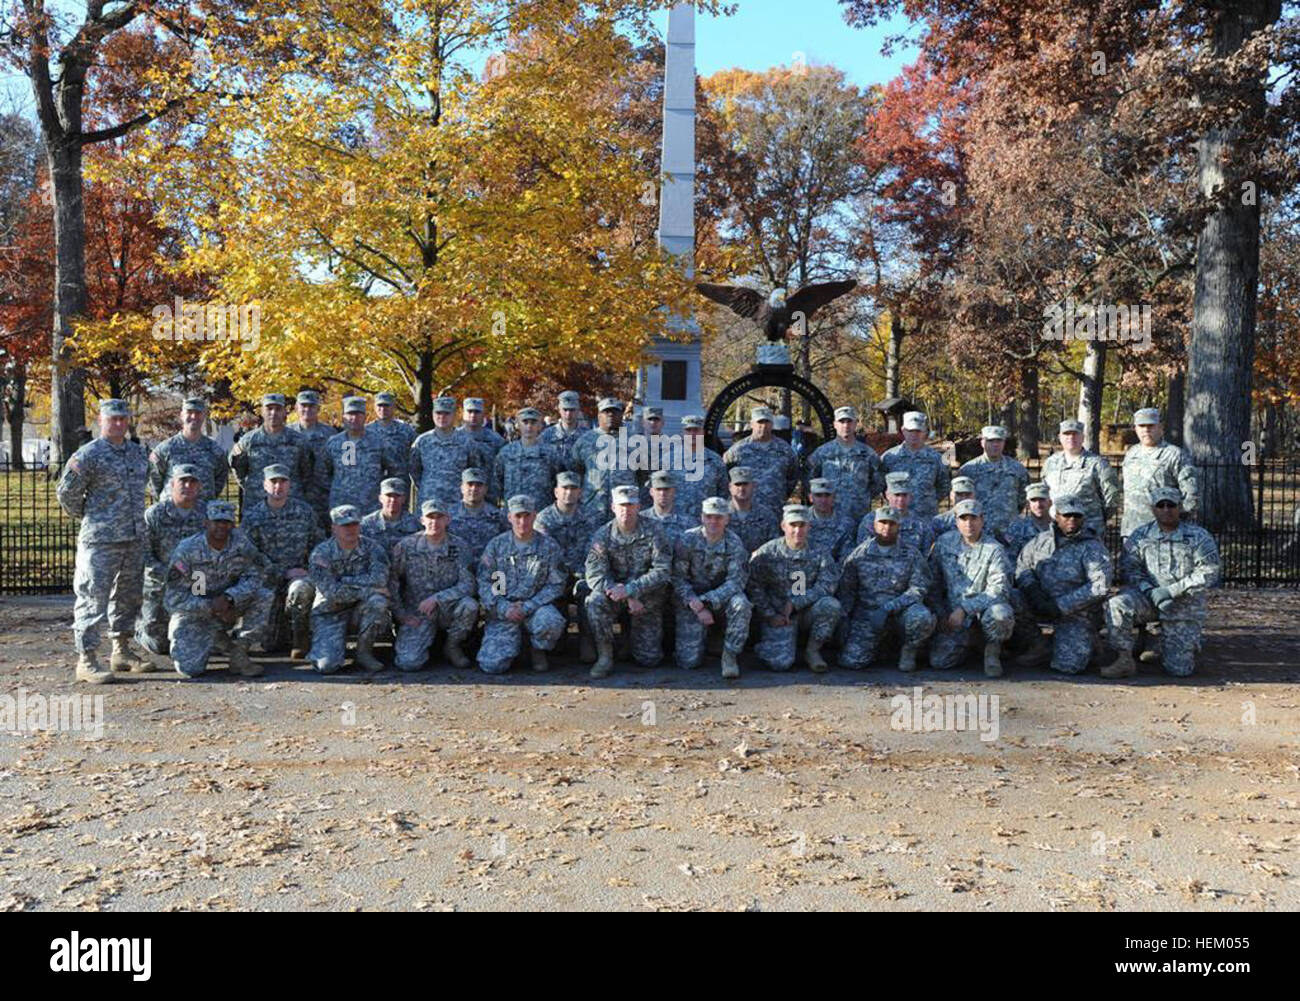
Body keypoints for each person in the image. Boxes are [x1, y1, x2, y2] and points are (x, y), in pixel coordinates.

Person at [57, 398, 151, 683]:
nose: (119, 424)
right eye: (113, 419)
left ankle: (121, 651)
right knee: (92, 599)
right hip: (100, 540)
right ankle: (87, 659)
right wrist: (91, 517)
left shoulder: (137, 454)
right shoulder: (88, 455)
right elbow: (66, 493)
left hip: (133, 538)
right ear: (101, 421)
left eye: (123, 419)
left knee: (128, 597)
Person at [1104, 486, 1221, 678]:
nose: (1166, 509)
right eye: (1161, 505)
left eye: (1171, 505)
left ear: (1180, 507)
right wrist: (1149, 590)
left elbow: (1209, 570)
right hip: (1147, 598)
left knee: (1179, 670)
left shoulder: (1198, 536)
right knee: (1117, 604)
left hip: (1183, 603)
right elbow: (1130, 568)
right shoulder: (1140, 536)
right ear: (1153, 509)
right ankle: (1123, 658)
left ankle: (1168, 640)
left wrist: (1172, 591)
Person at [163, 500, 271, 679]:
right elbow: (173, 598)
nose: (222, 526)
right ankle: (215, 638)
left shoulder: (241, 544)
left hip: (230, 605)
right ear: (206, 522)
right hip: (196, 611)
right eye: (217, 521)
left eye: (227, 522)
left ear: (233, 525)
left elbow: (256, 575)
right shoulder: (187, 549)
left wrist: (230, 598)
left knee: (264, 595)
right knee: (190, 669)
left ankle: (238, 652)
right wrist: (210, 606)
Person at [1012, 494, 1112, 675]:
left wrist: (1061, 605)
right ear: (1056, 516)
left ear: (1083, 518)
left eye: (1077, 516)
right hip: (1040, 603)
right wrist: (1033, 591)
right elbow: (1022, 568)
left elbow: (1100, 586)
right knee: (1011, 598)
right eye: (1066, 515)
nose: (1072, 520)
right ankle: (1038, 643)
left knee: (1068, 666)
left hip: (1075, 613)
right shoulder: (1039, 541)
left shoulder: (1093, 547)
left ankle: (1087, 642)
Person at [584, 484, 672, 679]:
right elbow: (595, 573)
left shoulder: (655, 530)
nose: (626, 510)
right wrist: (622, 594)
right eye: (621, 505)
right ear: (613, 507)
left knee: (649, 660)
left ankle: (627, 641)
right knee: (594, 600)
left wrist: (632, 590)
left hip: (646, 598)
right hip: (615, 595)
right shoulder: (602, 535)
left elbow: (663, 570)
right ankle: (605, 655)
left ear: (639, 506)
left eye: (631, 505)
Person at [476, 494, 568, 674]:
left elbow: (556, 584)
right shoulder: (497, 546)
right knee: (492, 666)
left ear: (534, 516)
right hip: (505, 610)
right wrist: (504, 607)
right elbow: (486, 582)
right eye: (518, 516)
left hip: (536, 608)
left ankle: (537, 649)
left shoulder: (548, 546)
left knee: (552, 621)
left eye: (527, 515)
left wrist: (528, 606)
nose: (522, 521)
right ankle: (515, 644)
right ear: (509, 517)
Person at [241, 464, 325, 659]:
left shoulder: (304, 512)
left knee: (300, 589)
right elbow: (248, 555)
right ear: (264, 485)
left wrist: (307, 569)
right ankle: (278, 631)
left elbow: (319, 546)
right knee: (270, 644)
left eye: (283, 481)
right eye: (273, 481)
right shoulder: (253, 517)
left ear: (289, 485)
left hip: (298, 576)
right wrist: (280, 572)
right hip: (267, 579)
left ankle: (300, 636)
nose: (278, 486)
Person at [837, 506, 935, 671]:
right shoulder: (859, 555)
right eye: (882, 523)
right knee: (851, 662)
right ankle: (880, 647)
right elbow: (848, 589)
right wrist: (845, 621)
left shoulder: (911, 554)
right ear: (874, 525)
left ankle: (908, 650)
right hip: (869, 615)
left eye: (892, 524)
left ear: (899, 526)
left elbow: (919, 588)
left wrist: (889, 607)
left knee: (921, 616)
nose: (887, 528)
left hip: (901, 612)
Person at [748, 505, 842, 672]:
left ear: (809, 527)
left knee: (831, 605)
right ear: (783, 526)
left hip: (807, 611)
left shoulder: (820, 552)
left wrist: (797, 602)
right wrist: (770, 615)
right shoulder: (768, 553)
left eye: (802, 525)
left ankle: (812, 651)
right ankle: (764, 645)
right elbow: (754, 587)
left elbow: (827, 585)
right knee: (780, 664)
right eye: (793, 525)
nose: (797, 530)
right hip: (777, 615)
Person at [926, 499, 1014, 676]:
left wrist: (965, 609)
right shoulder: (944, 543)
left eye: (973, 518)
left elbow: (999, 590)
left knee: (1000, 615)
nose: (968, 524)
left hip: (984, 611)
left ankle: (992, 649)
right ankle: (972, 642)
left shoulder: (994, 549)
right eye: (963, 519)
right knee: (940, 662)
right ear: (956, 521)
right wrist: (941, 613)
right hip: (953, 615)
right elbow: (933, 582)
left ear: (982, 520)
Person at [390, 499, 478, 671]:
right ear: (422, 520)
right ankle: (424, 645)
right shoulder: (407, 546)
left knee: (470, 606)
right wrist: (401, 615)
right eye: (430, 517)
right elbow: (392, 582)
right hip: (418, 612)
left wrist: (437, 598)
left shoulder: (459, 547)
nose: (434, 522)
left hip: (448, 608)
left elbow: (469, 584)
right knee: (408, 663)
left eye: (440, 517)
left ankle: (452, 646)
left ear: (448, 520)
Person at [671, 497, 751, 678]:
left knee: (741, 604)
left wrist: (706, 602)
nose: (713, 521)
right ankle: (708, 640)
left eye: (719, 517)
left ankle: (730, 655)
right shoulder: (687, 539)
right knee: (689, 662)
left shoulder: (735, 544)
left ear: (727, 519)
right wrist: (694, 602)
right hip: (691, 600)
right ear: (702, 517)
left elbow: (736, 582)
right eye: (709, 517)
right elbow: (678, 578)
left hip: (721, 599)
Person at [306, 505, 392, 673]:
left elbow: (379, 579)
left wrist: (343, 581)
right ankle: (331, 646)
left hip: (360, 610)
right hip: (330, 613)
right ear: (334, 528)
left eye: (354, 524)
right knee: (327, 667)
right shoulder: (321, 553)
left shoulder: (373, 549)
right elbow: (332, 593)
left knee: (378, 602)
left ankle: (364, 652)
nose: (350, 529)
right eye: (344, 525)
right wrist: (366, 590)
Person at [137, 464, 208, 657]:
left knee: (199, 636)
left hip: (196, 579)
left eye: (193, 482)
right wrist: (168, 573)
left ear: (199, 487)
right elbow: (144, 553)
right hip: (160, 581)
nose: (187, 485)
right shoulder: (155, 514)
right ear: (171, 484)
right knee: (159, 645)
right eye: (182, 481)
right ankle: (141, 626)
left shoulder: (207, 514)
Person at [535, 471, 597, 661]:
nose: (569, 493)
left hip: (582, 573)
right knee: (557, 649)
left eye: (573, 488)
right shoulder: (544, 519)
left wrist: (582, 574)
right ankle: (555, 638)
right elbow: (546, 554)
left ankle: (587, 640)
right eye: (565, 488)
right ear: (556, 491)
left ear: (580, 492)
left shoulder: (590, 517)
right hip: (553, 574)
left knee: (587, 590)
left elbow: (594, 551)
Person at [1120, 408, 1198, 537]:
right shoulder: (1131, 454)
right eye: (1142, 426)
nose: (1146, 429)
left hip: (1162, 532)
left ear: (1160, 427)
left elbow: (1190, 495)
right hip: (1132, 530)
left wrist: (1174, 523)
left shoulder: (1175, 455)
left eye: (1151, 425)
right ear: (1135, 429)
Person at [229, 393, 311, 507]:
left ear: (284, 412)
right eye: (269, 408)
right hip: (256, 506)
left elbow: (307, 474)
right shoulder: (248, 441)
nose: (273, 413)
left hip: (291, 507)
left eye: (278, 409)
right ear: (262, 411)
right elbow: (238, 471)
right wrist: (254, 488)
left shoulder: (299, 441)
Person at [806, 405, 884, 525]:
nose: (846, 425)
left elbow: (879, 482)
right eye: (841, 421)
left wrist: (862, 495)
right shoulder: (822, 453)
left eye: (849, 421)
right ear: (835, 424)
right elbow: (809, 480)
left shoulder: (867, 453)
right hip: (830, 517)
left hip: (859, 516)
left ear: (856, 424)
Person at [323, 396, 399, 515]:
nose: (354, 418)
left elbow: (394, 470)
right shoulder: (334, 443)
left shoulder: (378, 442)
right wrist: (338, 489)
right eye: (350, 414)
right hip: (341, 506)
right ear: (343, 417)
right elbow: (322, 473)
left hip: (371, 506)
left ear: (365, 416)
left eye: (359, 414)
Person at [1042, 418, 1118, 536]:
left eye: (1075, 434)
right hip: (1057, 528)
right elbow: (1044, 492)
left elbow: (1111, 497)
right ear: (1060, 437)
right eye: (1066, 434)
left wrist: (1098, 518)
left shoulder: (1097, 464)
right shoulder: (1050, 463)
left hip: (1089, 528)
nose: (1071, 438)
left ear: (1082, 437)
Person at [570, 397, 639, 527]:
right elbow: (575, 471)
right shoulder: (585, 441)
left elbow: (643, 474)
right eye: (606, 412)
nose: (610, 415)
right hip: (592, 508)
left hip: (624, 509)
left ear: (621, 414)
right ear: (598, 415)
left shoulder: (634, 441)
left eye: (615, 412)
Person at [723, 406, 799, 521]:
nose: (763, 426)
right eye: (759, 422)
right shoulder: (738, 450)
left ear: (772, 424)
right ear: (752, 424)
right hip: (744, 515)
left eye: (767, 422)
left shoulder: (785, 450)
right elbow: (724, 477)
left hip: (775, 511)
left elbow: (792, 477)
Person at [147, 397, 228, 502]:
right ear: (181, 415)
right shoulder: (166, 448)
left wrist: (205, 496)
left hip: (203, 512)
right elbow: (154, 480)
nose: (194, 416)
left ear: (204, 416)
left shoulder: (215, 450)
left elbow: (220, 480)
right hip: (173, 514)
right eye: (189, 412)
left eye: (198, 413)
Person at [958, 424, 1028, 543]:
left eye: (999, 441)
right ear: (982, 442)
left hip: (1010, 532)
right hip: (979, 533)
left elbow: (1022, 499)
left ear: (1004, 443)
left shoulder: (1017, 469)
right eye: (990, 441)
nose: (995, 445)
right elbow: (961, 502)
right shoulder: (968, 470)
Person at [409, 396, 479, 512]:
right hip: (428, 502)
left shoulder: (467, 442)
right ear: (432, 414)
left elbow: (474, 470)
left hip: (457, 502)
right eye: (438, 413)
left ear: (454, 415)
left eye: (447, 413)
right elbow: (414, 470)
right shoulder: (422, 441)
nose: (442, 417)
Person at [881, 410, 950, 520]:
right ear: (903, 430)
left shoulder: (937, 459)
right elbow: (881, 486)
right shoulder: (889, 457)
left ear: (925, 432)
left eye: (918, 431)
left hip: (926, 519)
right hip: (897, 520)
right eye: (910, 430)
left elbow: (944, 486)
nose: (914, 434)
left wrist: (927, 501)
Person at [494, 407, 564, 508]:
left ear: (540, 426)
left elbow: (558, 481)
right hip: (513, 514)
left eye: (533, 422)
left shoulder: (550, 453)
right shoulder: (506, 452)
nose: (529, 426)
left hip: (541, 512)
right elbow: (497, 481)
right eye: (525, 422)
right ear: (517, 425)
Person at [856, 471, 935, 555]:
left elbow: (925, 557)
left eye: (904, 495)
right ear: (887, 495)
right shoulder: (871, 521)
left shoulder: (920, 524)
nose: (900, 499)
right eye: (896, 495)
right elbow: (862, 553)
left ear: (910, 496)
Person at [290, 389, 337, 523]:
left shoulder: (330, 434)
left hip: (322, 497)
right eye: (303, 405)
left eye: (311, 406)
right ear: (296, 408)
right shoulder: (288, 434)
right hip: (295, 496)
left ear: (318, 408)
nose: (307, 409)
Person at [670, 414, 728, 519]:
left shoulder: (715, 460)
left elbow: (723, 492)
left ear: (703, 433)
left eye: (696, 430)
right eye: (689, 430)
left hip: (706, 521)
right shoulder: (669, 459)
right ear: (683, 433)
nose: (692, 434)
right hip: (676, 521)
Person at [448, 467, 508, 563]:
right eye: (470, 484)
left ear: (485, 489)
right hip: (458, 568)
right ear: (462, 487)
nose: (474, 489)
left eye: (479, 485)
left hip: (488, 569)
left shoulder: (497, 516)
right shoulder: (448, 515)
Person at [360, 478, 423, 557]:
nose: (393, 500)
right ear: (380, 498)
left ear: (404, 499)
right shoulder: (366, 525)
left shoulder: (415, 524)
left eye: (397, 496)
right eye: (388, 495)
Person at [726, 466, 781, 554]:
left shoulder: (767, 517)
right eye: (737, 484)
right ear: (730, 487)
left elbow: (774, 549)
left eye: (745, 484)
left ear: (754, 486)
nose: (741, 489)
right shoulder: (720, 516)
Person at [641, 470, 694, 551]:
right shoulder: (640, 520)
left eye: (666, 489)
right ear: (651, 492)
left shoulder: (689, 523)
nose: (662, 493)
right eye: (658, 489)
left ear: (674, 491)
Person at [806, 477, 856, 562]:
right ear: (810, 497)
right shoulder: (801, 521)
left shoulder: (846, 523)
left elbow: (846, 559)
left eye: (827, 495)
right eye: (818, 495)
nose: (823, 500)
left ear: (834, 497)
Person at [1003, 482, 1054, 563]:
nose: (1038, 505)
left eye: (1042, 500)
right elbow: (1010, 560)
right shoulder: (1018, 528)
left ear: (1050, 502)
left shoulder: (1058, 527)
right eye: (1033, 500)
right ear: (1028, 504)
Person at [371, 391, 417, 479]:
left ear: (394, 407)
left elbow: (417, 457)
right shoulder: (366, 431)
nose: (383, 409)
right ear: (374, 407)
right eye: (379, 406)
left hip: (401, 483)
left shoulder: (407, 430)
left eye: (386, 405)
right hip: (375, 484)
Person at [538, 390, 589, 468]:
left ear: (578, 410)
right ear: (559, 410)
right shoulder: (547, 436)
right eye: (565, 409)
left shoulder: (588, 436)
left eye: (572, 410)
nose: (568, 414)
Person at [460, 397, 506, 464]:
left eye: (477, 412)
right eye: (469, 411)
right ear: (463, 414)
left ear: (483, 414)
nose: (473, 415)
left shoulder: (495, 439)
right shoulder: (453, 437)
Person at [930, 476, 976, 541]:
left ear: (974, 495)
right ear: (951, 495)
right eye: (959, 494)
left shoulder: (983, 520)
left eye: (968, 494)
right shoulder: (939, 521)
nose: (963, 498)